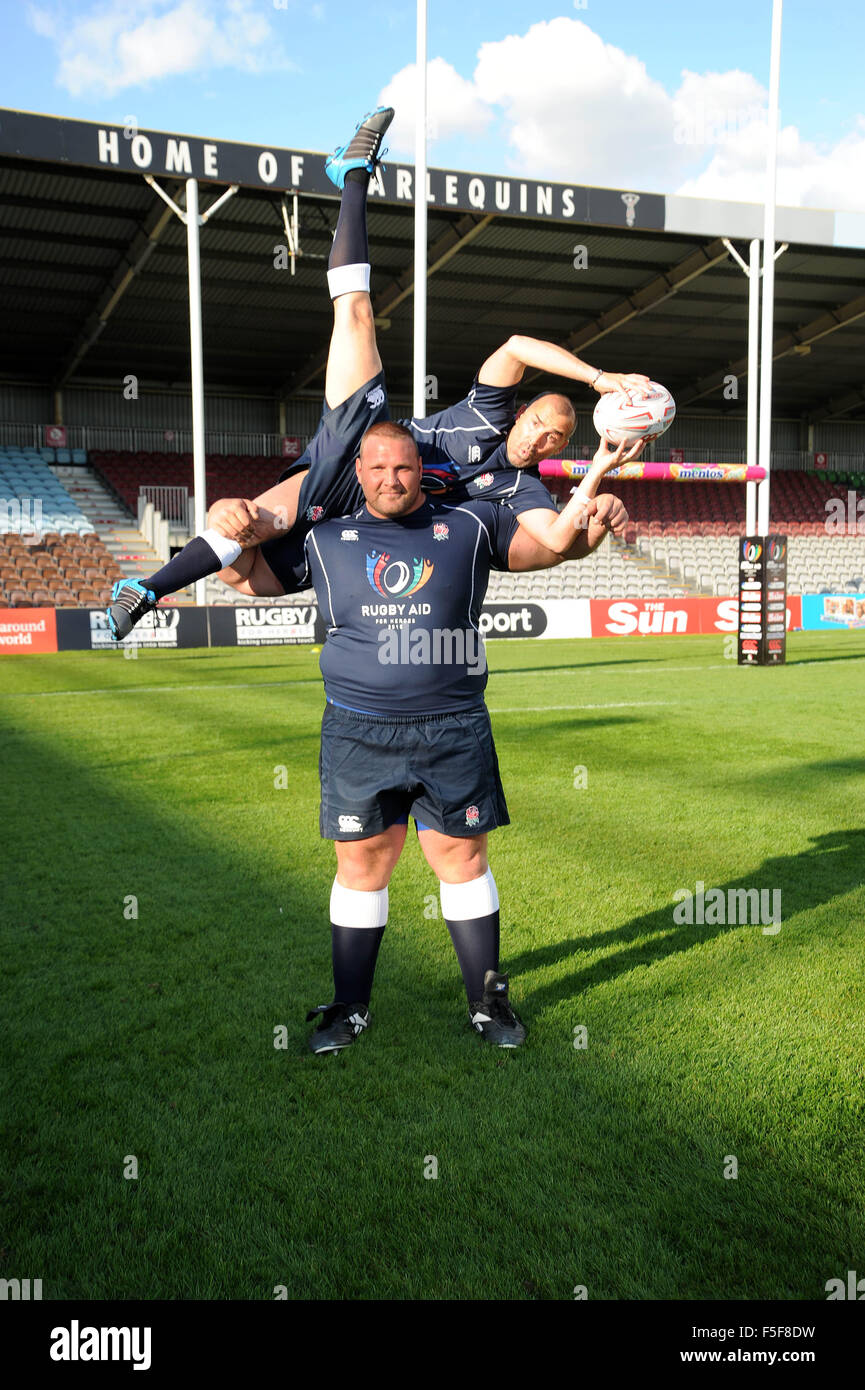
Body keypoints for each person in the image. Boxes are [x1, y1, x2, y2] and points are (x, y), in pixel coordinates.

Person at [107, 104, 649, 638]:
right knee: (354, 317)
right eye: (538, 423)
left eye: (555, 439)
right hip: (360, 453)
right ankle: (353, 176)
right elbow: (517, 347)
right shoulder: (488, 410)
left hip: (376, 516)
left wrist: (599, 471)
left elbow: (555, 540)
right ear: (522, 411)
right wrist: (599, 379)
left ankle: (161, 579)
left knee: (252, 539)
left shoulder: (519, 489)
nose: (540, 439)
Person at [273, 419, 629, 1053]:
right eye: (377, 468)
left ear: (421, 469)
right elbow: (247, 573)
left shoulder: (469, 524)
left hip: (453, 727)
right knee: (361, 863)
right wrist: (221, 518)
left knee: (463, 860)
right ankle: (349, 1007)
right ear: (358, 473)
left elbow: (554, 549)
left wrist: (595, 520)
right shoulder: (322, 537)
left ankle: (487, 1003)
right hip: (357, 730)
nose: (391, 479)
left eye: (403, 467)